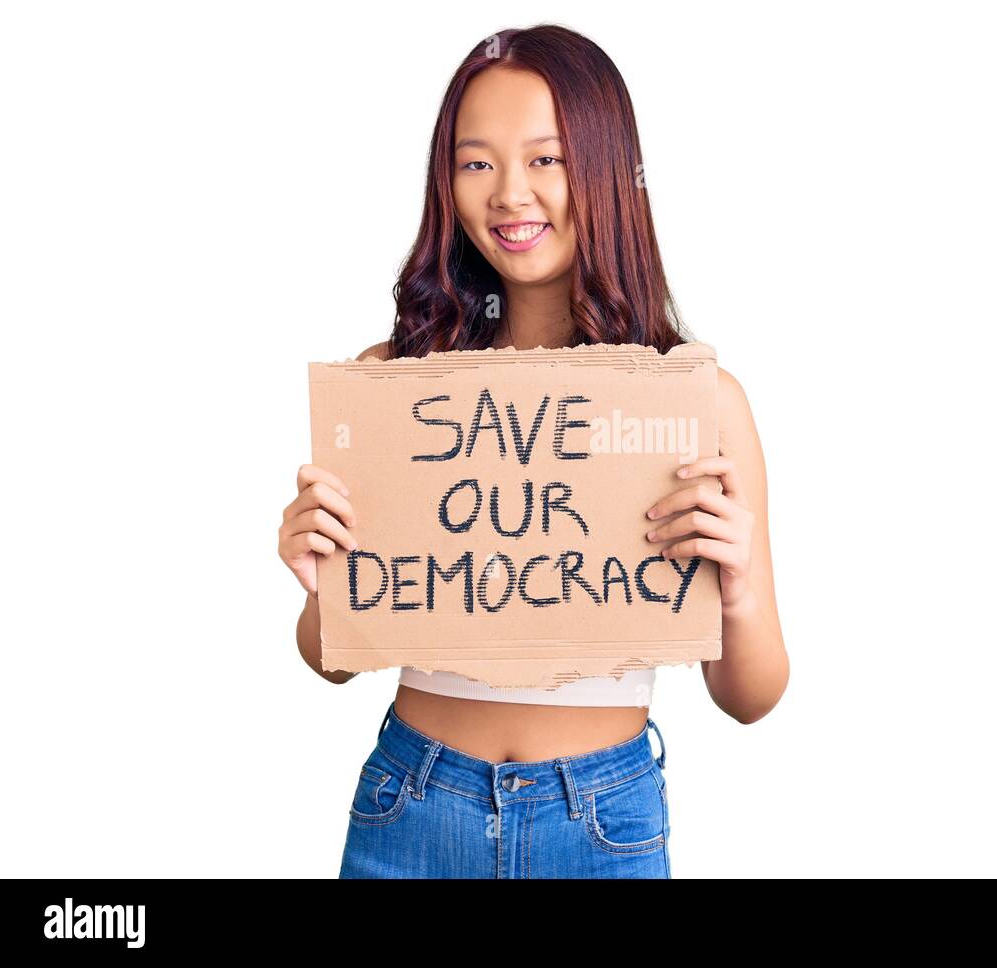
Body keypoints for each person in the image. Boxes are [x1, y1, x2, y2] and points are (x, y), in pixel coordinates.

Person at [277, 24, 788, 878]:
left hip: (601, 820)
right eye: (477, 163)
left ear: (604, 167)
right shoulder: (392, 388)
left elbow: (754, 696)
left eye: (546, 159)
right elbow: (329, 659)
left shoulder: (697, 403)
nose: (511, 194)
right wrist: (317, 573)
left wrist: (733, 595)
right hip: (411, 805)